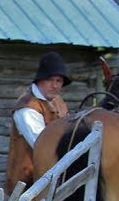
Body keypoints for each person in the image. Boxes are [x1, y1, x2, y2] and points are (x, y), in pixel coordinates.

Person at [5, 51, 71, 191]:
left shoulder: (58, 101)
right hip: (27, 182)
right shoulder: (27, 108)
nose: (55, 85)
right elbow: (42, 144)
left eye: (58, 81)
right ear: (40, 80)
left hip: (51, 177)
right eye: (50, 80)